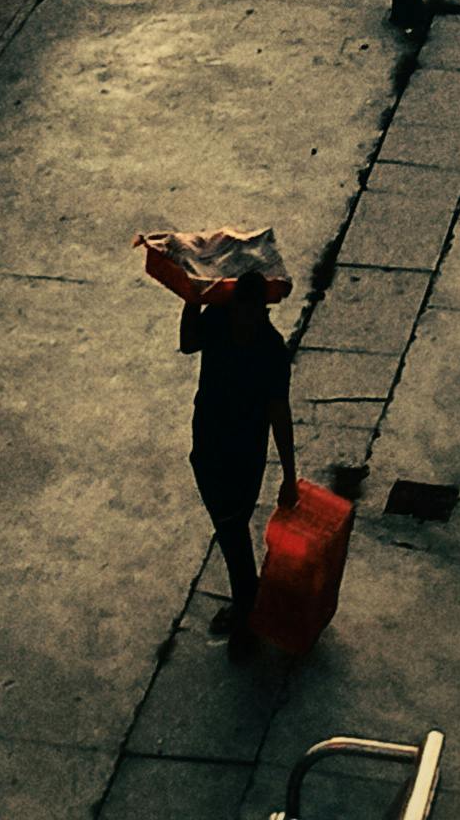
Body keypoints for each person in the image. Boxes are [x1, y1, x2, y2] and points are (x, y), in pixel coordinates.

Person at [179, 262, 298, 639]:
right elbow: (187, 342)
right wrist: (192, 300)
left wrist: (290, 475)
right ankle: (248, 601)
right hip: (208, 443)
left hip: (245, 453)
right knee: (229, 526)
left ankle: (246, 609)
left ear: (261, 311)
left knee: (232, 528)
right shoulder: (218, 320)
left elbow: (280, 413)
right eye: (240, 312)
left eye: (252, 314)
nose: (244, 322)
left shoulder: (271, 348)